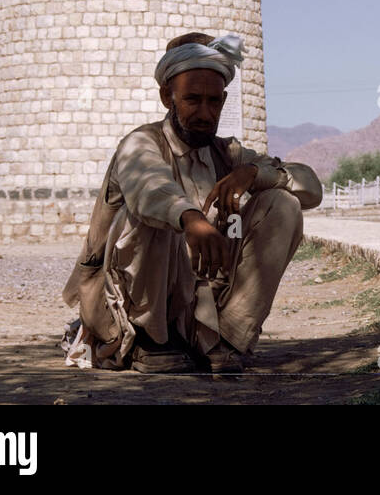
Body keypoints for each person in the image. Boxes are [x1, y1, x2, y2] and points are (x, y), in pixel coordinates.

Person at [61, 32, 322, 373]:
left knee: (283, 204)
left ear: (223, 101)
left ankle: (225, 341)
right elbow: (151, 191)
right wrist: (191, 219)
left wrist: (254, 173)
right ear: (167, 97)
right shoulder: (141, 143)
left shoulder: (227, 153)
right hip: (124, 309)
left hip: (201, 306)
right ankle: (151, 341)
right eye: (192, 100)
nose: (204, 112)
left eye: (213, 102)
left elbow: (311, 188)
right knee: (151, 215)